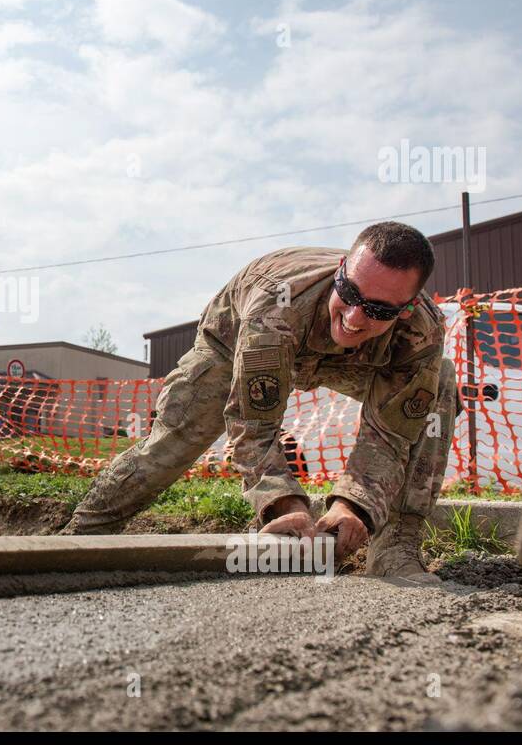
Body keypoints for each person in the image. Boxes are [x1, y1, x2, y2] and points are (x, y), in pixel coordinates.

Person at [59, 222, 461, 584]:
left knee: (439, 384)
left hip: (356, 362)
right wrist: (281, 501)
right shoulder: (279, 303)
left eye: (377, 309)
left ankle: (396, 547)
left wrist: (353, 505)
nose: (355, 317)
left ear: (406, 308)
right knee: (171, 445)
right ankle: (79, 534)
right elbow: (255, 422)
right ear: (341, 269)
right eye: (350, 293)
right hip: (233, 345)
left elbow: (390, 435)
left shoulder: (420, 332)